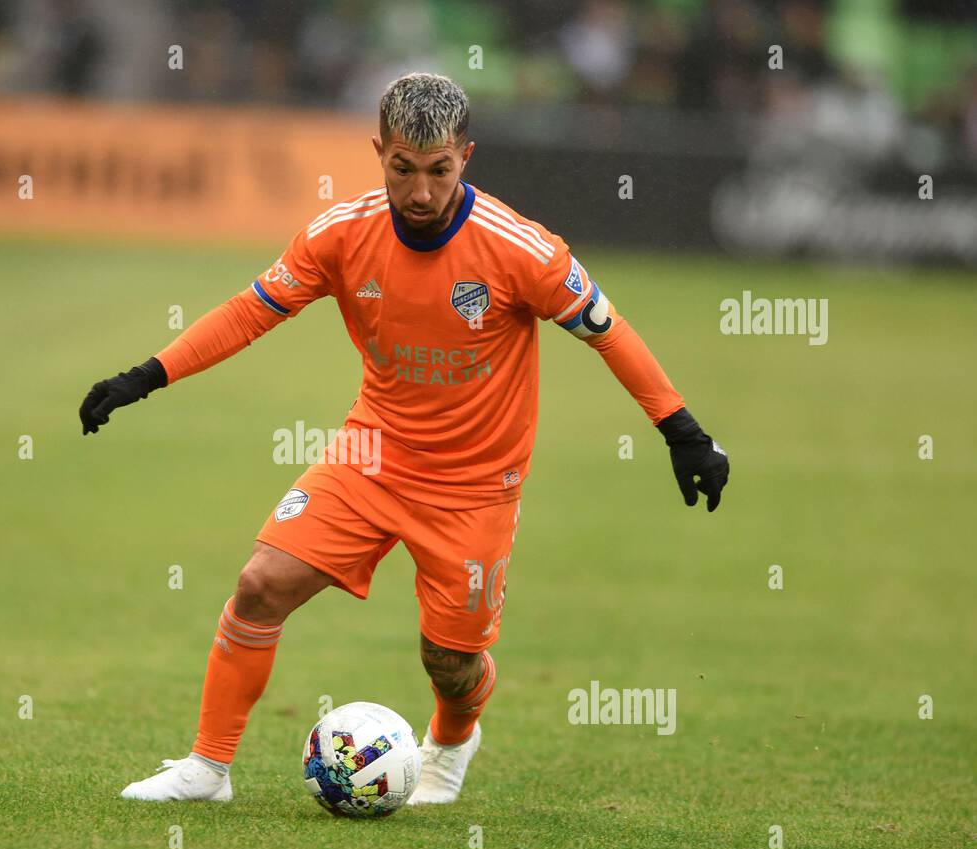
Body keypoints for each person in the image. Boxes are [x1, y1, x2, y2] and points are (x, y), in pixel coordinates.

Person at [80, 72, 729, 805]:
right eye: (402, 169)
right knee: (261, 586)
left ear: (466, 157)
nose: (420, 193)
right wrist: (147, 375)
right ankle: (208, 767)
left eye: (439, 171)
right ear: (379, 151)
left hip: (476, 486)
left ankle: (451, 744)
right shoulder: (341, 234)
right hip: (372, 456)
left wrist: (683, 432)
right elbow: (250, 312)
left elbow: (610, 335)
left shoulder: (522, 251)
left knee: (450, 662)